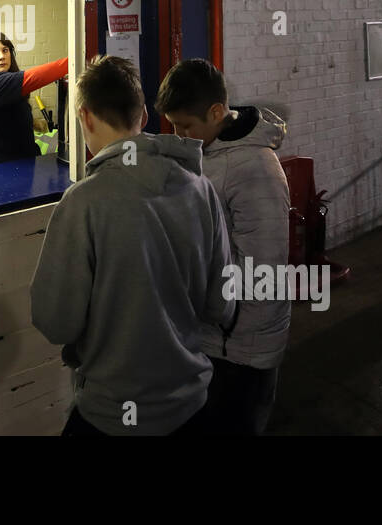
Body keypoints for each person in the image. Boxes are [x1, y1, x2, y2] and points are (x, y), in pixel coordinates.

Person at [30, 56, 235, 436]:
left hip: (110, 413)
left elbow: (55, 321)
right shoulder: (200, 188)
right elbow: (222, 304)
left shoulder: (83, 203)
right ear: (142, 115)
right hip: (191, 407)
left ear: (85, 117)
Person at [156, 58, 290, 435]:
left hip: (241, 347)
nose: (180, 135)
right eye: (174, 126)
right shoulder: (209, 152)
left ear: (216, 112)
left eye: (186, 126)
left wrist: (218, 314)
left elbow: (263, 270)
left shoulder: (256, 169)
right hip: (214, 336)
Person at [0, 32, 67, 167]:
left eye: (5, 50)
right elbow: (35, 77)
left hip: (11, 165)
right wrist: (76, 60)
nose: (1, 56)